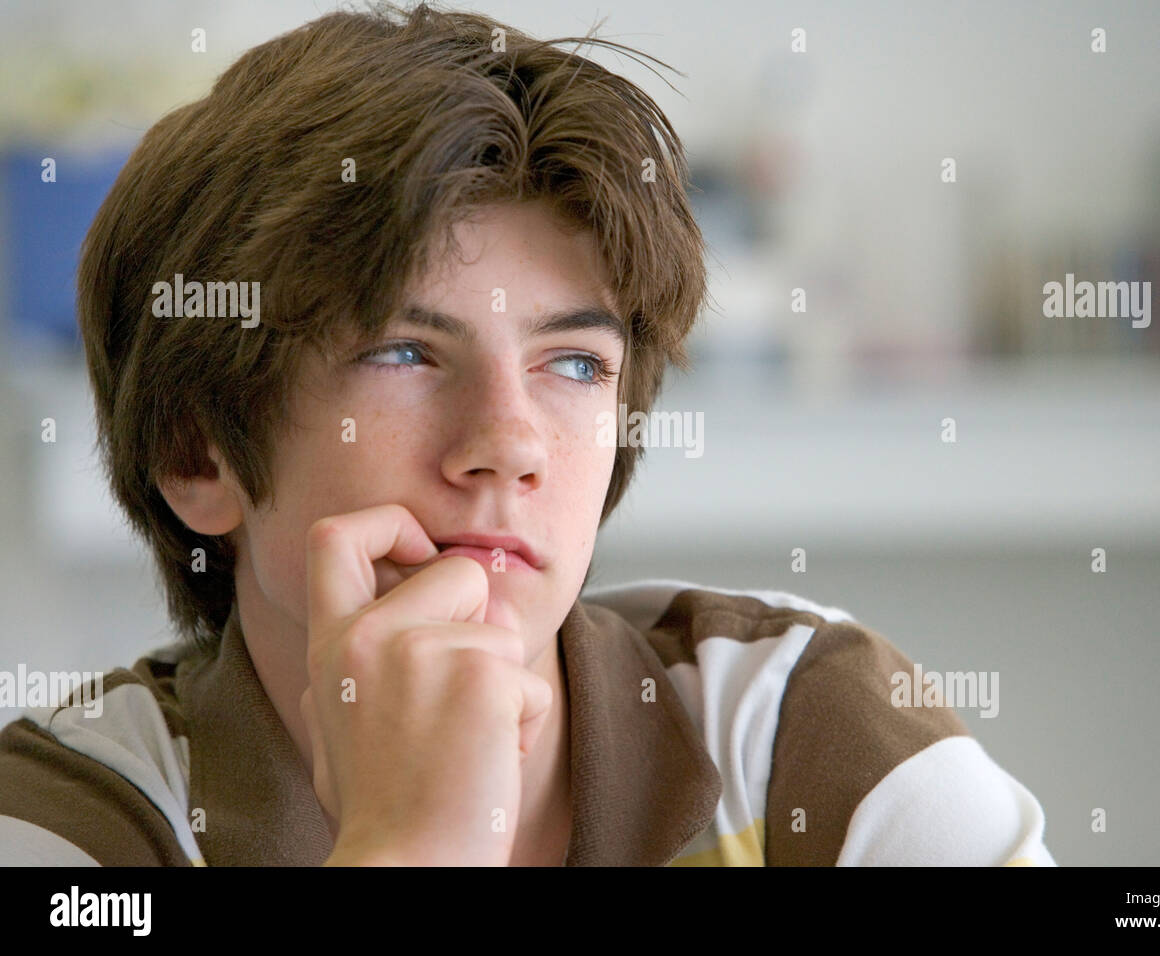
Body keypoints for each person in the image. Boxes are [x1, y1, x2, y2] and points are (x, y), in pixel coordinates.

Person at [0, 1, 1055, 866]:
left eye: (574, 363)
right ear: (197, 452)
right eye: (404, 352)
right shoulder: (66, 823)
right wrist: (414, 845)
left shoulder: (802, 727)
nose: (510, 442)